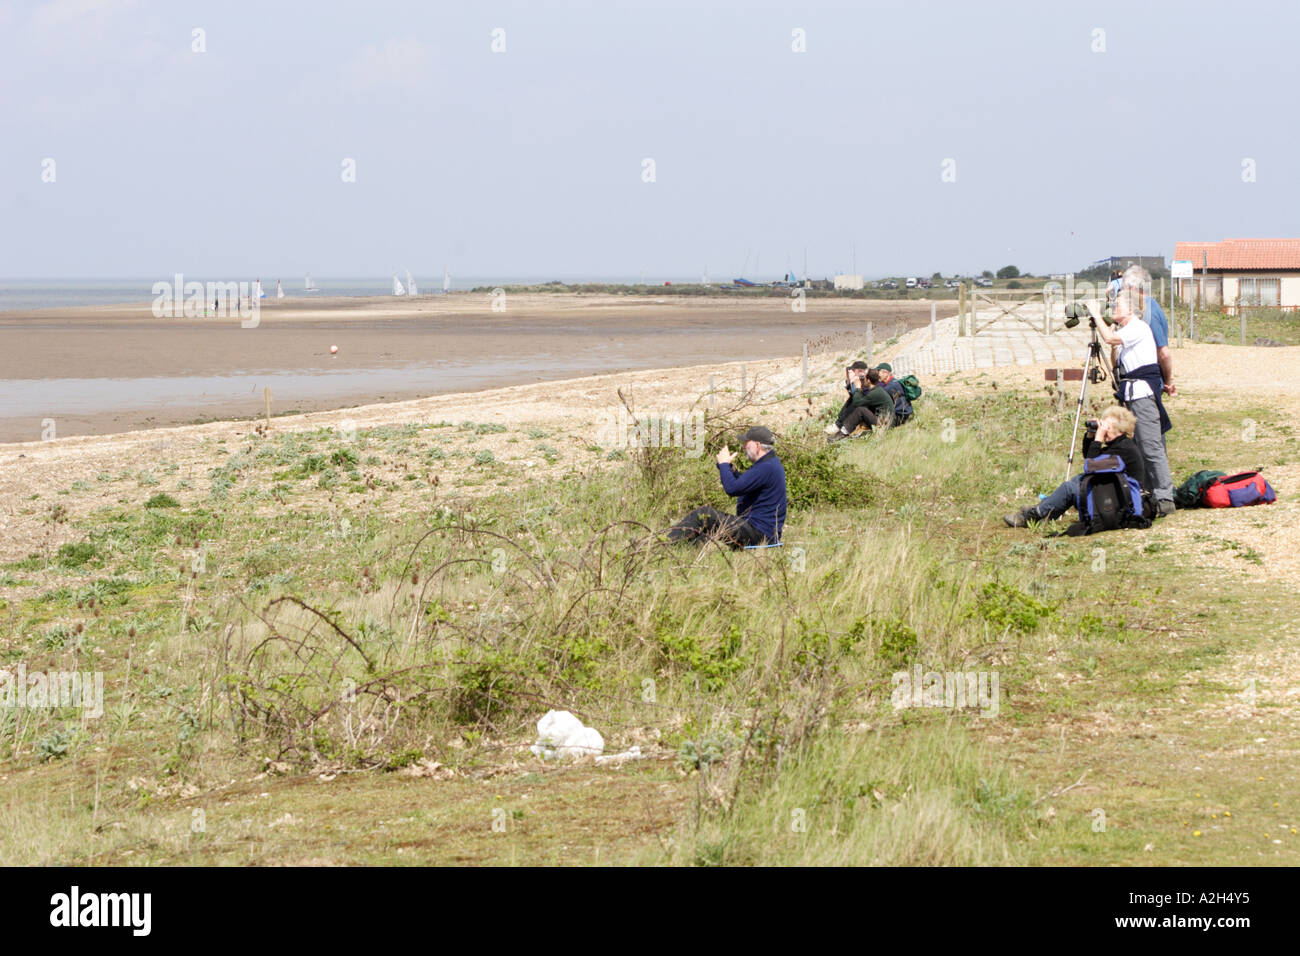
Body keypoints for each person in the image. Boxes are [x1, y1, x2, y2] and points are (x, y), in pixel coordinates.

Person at [1098, 288, 1176, 516]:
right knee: (1142, 446)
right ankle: (1150, 492)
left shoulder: (1139, 327)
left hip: (1142, 394)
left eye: (1117, 305)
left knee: (1152, 447)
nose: (1112, 309)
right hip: (1132, 394)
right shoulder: (1126, 331)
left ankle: (1164, 498)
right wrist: (1113, 337)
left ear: (1131, 309)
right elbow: (1115, 357)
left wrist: (1095, 315)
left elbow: (1108, 338)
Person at [1004, 406, 1146, 528]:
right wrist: (1090, 435)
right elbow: (1089, 456)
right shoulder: (1120, 444)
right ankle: (1043, 510)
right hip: (1114, 492)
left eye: (1106, 427)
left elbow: (1091, 464)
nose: (1102, 430)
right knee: (1078, 480)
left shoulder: (1124, 448)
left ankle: (1034, 515)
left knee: (1071, 487)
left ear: (1118, 430)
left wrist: (1098, 439)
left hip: (1121, 501)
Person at [667, 425, 786, 547]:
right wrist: (730, 468)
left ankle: (665, 545)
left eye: (747, 443)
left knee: (702, 515)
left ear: (757, 445)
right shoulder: (769, 463)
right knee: (704, 527)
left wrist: (724, 464)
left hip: (759, 534)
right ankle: (683, 551)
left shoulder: (766, 467)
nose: (744, 446)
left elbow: (732, 488)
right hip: (760, 532)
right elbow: (744, 484)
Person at [828, 367, 893, 442]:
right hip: (884, 421)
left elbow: (857, 403)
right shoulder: (876, 389)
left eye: (863, 377)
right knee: (856, 401)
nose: (861, 379)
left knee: (860, 410)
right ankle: (840, 427)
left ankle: (841, 433)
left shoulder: (875, 393)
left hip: (885, 424)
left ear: (868, 380)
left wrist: (858, 388)